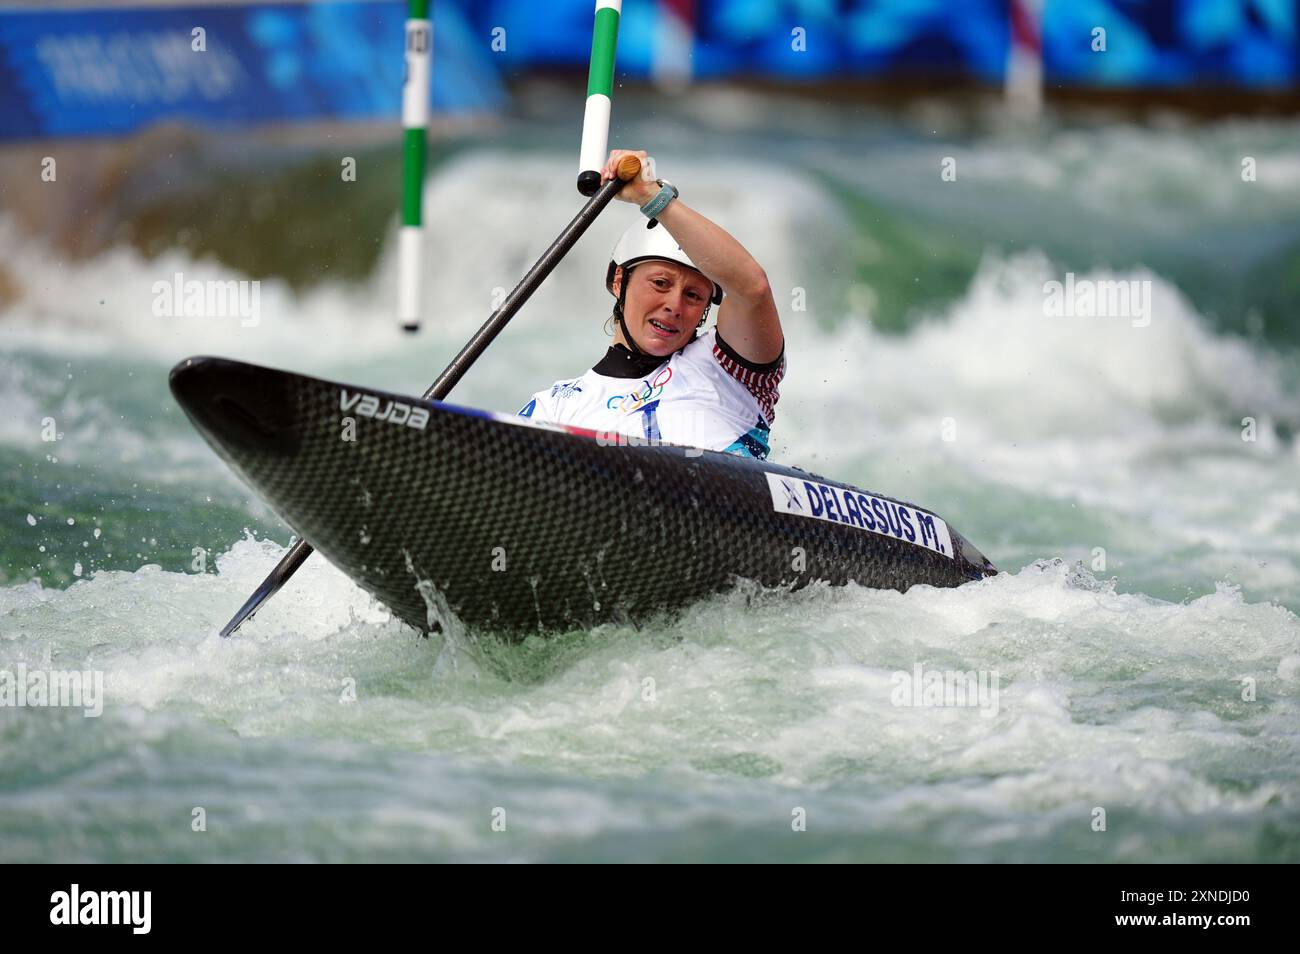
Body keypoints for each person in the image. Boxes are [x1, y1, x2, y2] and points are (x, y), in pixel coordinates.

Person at [518, 149, 786, 459]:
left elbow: (752, 289)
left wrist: (652, 197)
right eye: (660, 283)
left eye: (693, 295)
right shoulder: (553, 407)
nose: (674, 305)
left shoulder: (728, 370)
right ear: (619, 281)